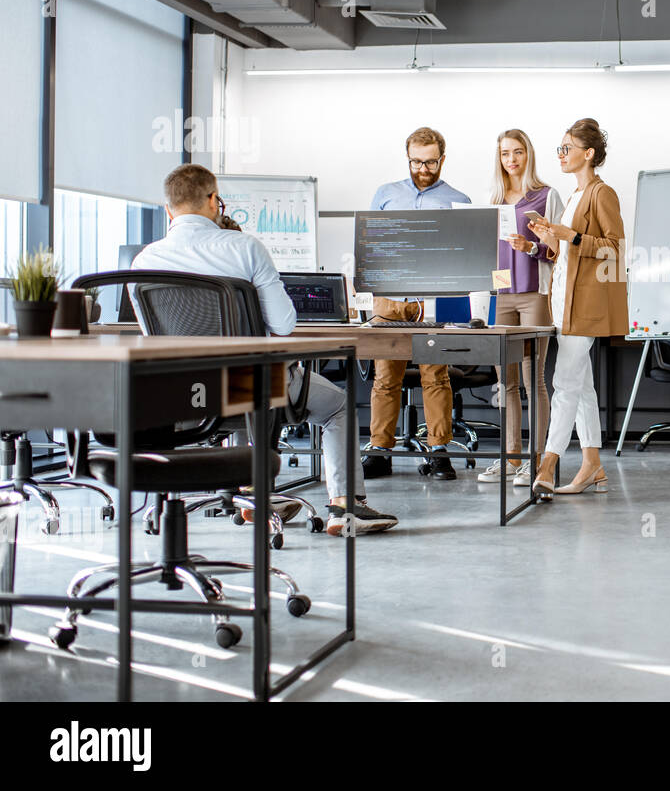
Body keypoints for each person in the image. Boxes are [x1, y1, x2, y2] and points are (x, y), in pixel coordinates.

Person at [133, 164, 397, 536]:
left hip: (183, 394)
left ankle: (254, 494)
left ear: (168, 210)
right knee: (336, 404)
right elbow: (284, 324)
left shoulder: (144, 261)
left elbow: (154, 338)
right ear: (214, 201)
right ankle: (345, 506)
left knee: (241, 388)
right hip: (250, 385)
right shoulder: (244, 248)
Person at [526, 118, 629, 495]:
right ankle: (593, 465)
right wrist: (550, 240)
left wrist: (573, 236)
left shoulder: (602, 193)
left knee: (564, 383)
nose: (561, 155)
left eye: (567, 148)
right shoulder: (572, 197)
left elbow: (615, 249)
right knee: (582, 386)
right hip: (563, 302)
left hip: (585, 305)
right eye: (559, 148)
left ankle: (548, 465)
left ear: (588, 154)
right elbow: (569, 255)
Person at [362, 127, 471, 482]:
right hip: (389, 301)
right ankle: (380, 451)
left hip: (431, 303)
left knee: (435, 377)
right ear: (407, 157)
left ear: (443, 158)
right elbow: (370, 247)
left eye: (430, 161)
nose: (423, 168)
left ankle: (439, 452)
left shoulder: (458, 200)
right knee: (384, 378)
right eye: (416, 161)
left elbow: (463, 256)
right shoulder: (385, 194)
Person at [477, 129, 565, 488]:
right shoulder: (495, 199)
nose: (511, 160)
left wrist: (529, 248)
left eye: (517, 152)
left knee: (533, 378)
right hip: (503, 295)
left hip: (534, 294)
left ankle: (537, 460)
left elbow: (559, 251)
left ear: (528, 155)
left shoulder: (547, 196)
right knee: (506, 381)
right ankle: (512, 457)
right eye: (504, 154)